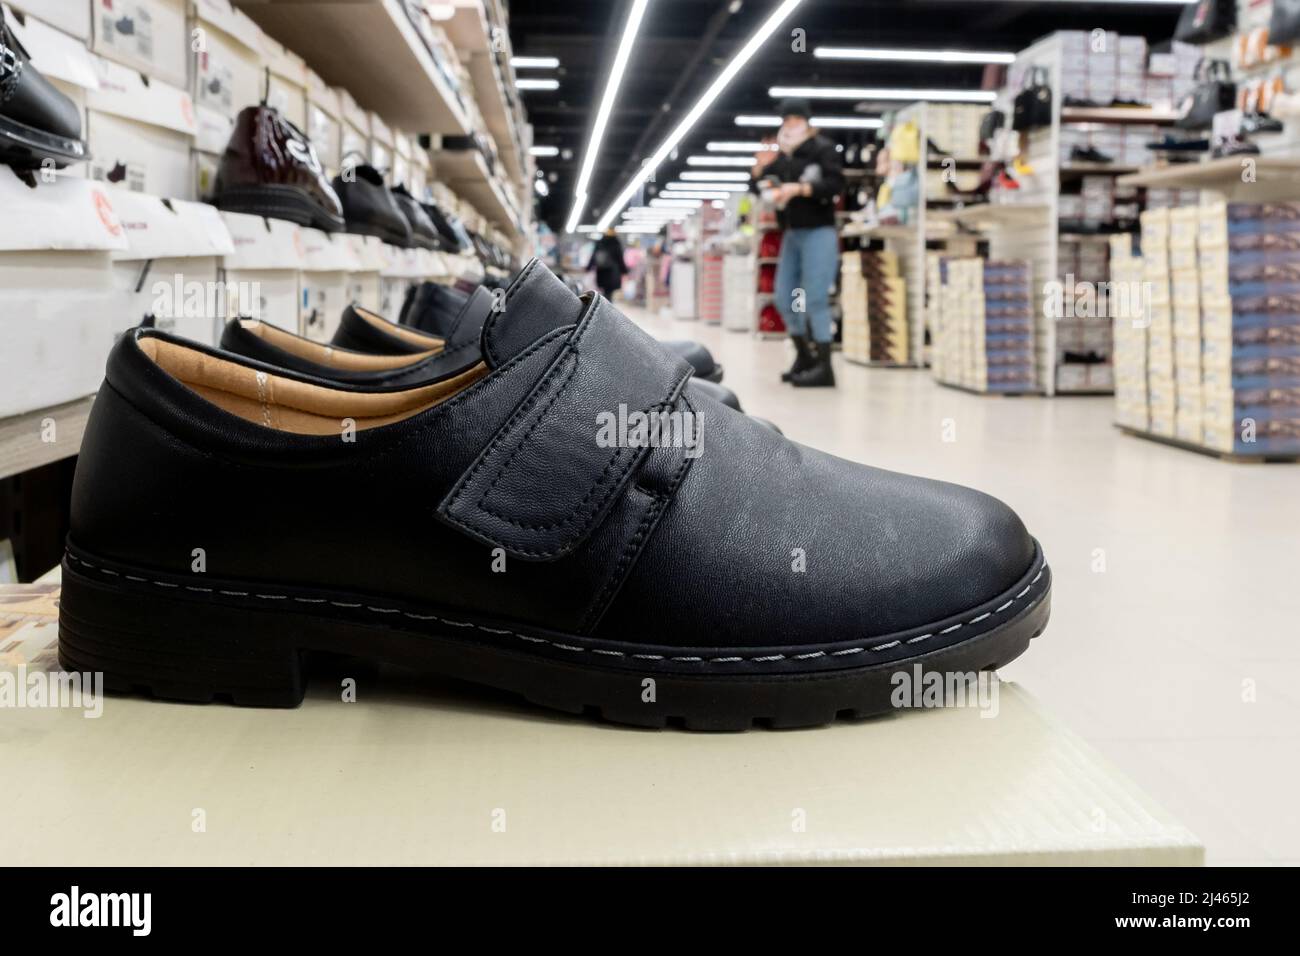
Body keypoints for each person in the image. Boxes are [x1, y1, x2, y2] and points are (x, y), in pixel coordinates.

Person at [755, 98, 845, 387]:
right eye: (785, 119)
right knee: (785, 297)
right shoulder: (783, 158)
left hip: (819, 231)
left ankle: (825, 367)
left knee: (815, 299)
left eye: (795, 119)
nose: (790, 124)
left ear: (806, 121)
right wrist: (758, 172)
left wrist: (801, 189)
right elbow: (762, 190)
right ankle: (805, 354)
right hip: (791, 234)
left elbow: (836, 185)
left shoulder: (824, 149)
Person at [588, 228, 628, 301]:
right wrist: (624, 270)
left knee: (605, 291)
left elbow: (593, 256)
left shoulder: (599, 243)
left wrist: (588, 267)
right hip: (613, 272)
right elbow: (620, 259)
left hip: (601, 271)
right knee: (609, 292)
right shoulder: (616, 243)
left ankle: (604, 304)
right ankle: (607, 306)